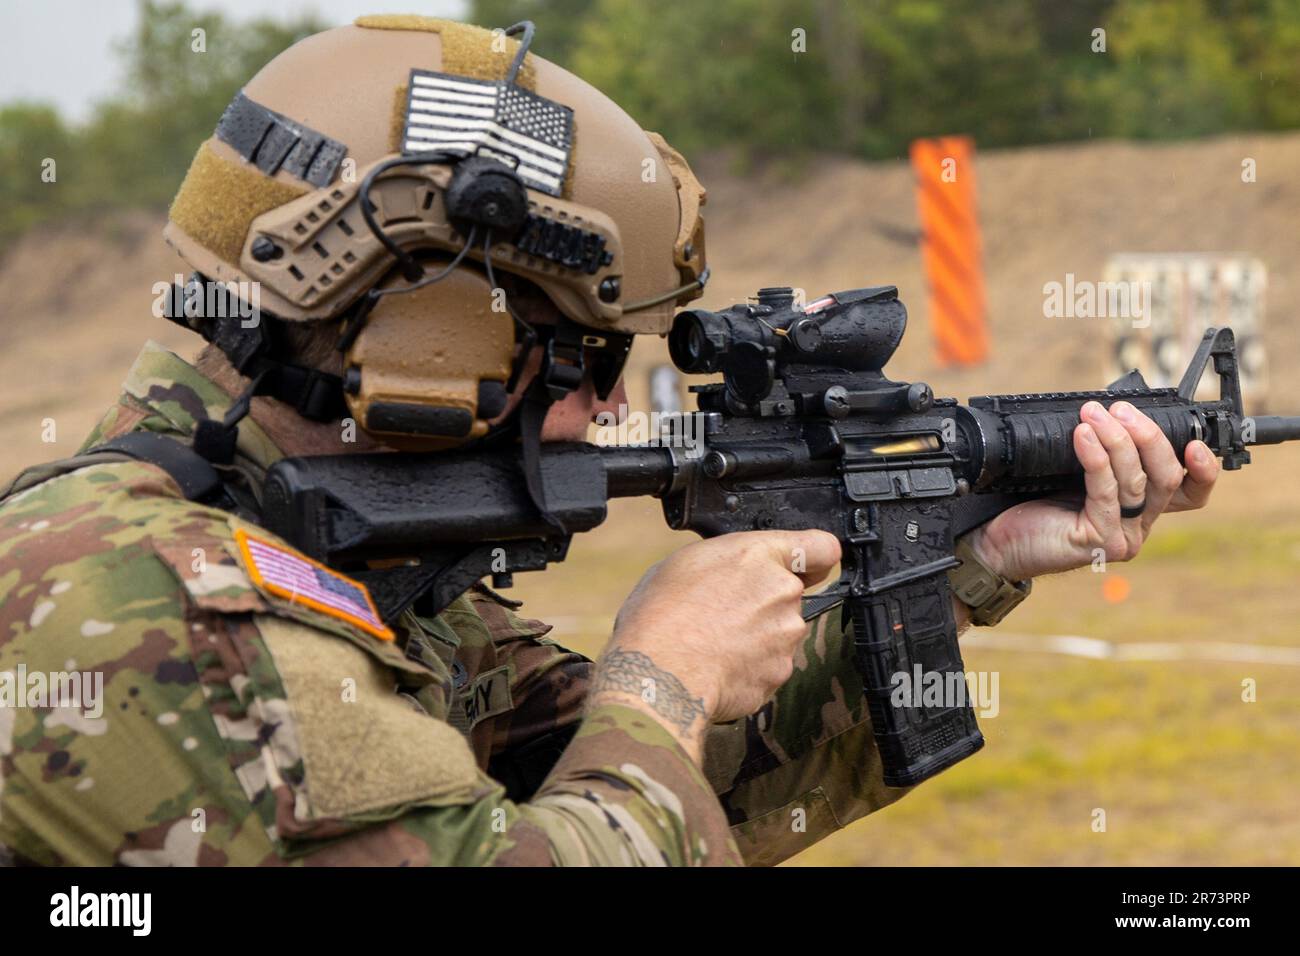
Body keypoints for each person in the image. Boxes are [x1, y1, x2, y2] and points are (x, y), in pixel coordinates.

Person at [0, 17, 1220, 867]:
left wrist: (971, 560)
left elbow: (673, 808)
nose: (604, 412)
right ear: (430, 328)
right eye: (589, 360)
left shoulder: (335, 567)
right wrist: (659, 674)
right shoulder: (142, 604)